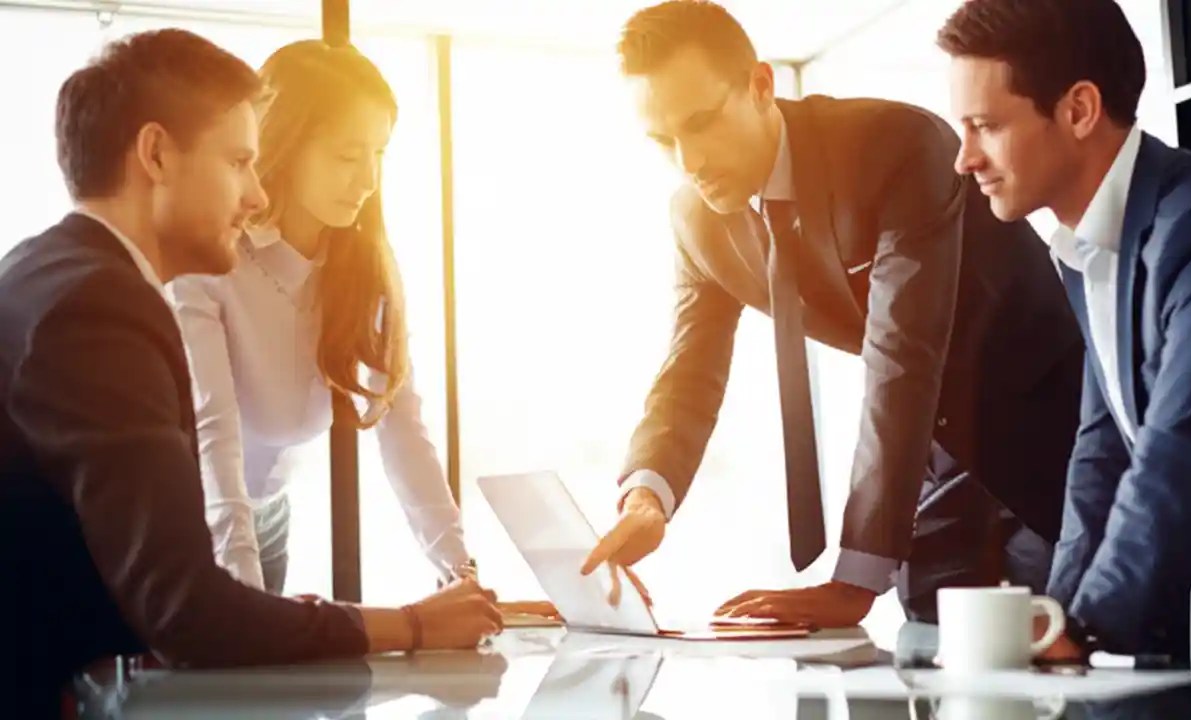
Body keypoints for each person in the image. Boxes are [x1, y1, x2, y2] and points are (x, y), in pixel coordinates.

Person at [0, 29, 500, 717]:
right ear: (156, 154)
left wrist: (453, 575)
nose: (257, 197)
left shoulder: (38, 267)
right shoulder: (102, 306)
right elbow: (188, 611)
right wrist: (410, 625)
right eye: (239, 162)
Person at [581, 0, 1084, 628]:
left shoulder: (897, 145)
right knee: (932, 625)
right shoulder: (696, 221)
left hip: (1058, 433)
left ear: (760, 85)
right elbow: (688, 369)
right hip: (935, 450)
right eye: (663, 140)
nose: (690, 161)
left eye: (702, 123)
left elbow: (901, 351)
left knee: (1074, 640)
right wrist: (646, 497)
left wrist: (852, 581)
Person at [939, 0, 1191, 660]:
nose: (964, 159)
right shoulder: (1089, 250)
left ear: (1079, 110)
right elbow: (1102, 454)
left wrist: (1086, 630)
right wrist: (1061, 617)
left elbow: (1183, 453)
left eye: (986, 126)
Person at [167, 39, 473, 595]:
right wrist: (246, 607)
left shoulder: (363, 269)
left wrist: (461, 571)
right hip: (186, 525)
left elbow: (403, 426)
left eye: (379, 154)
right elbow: (215, 438)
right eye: (347, 156)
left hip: (266, 522)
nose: (369, 180)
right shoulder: (209, 262)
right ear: (283, 143)